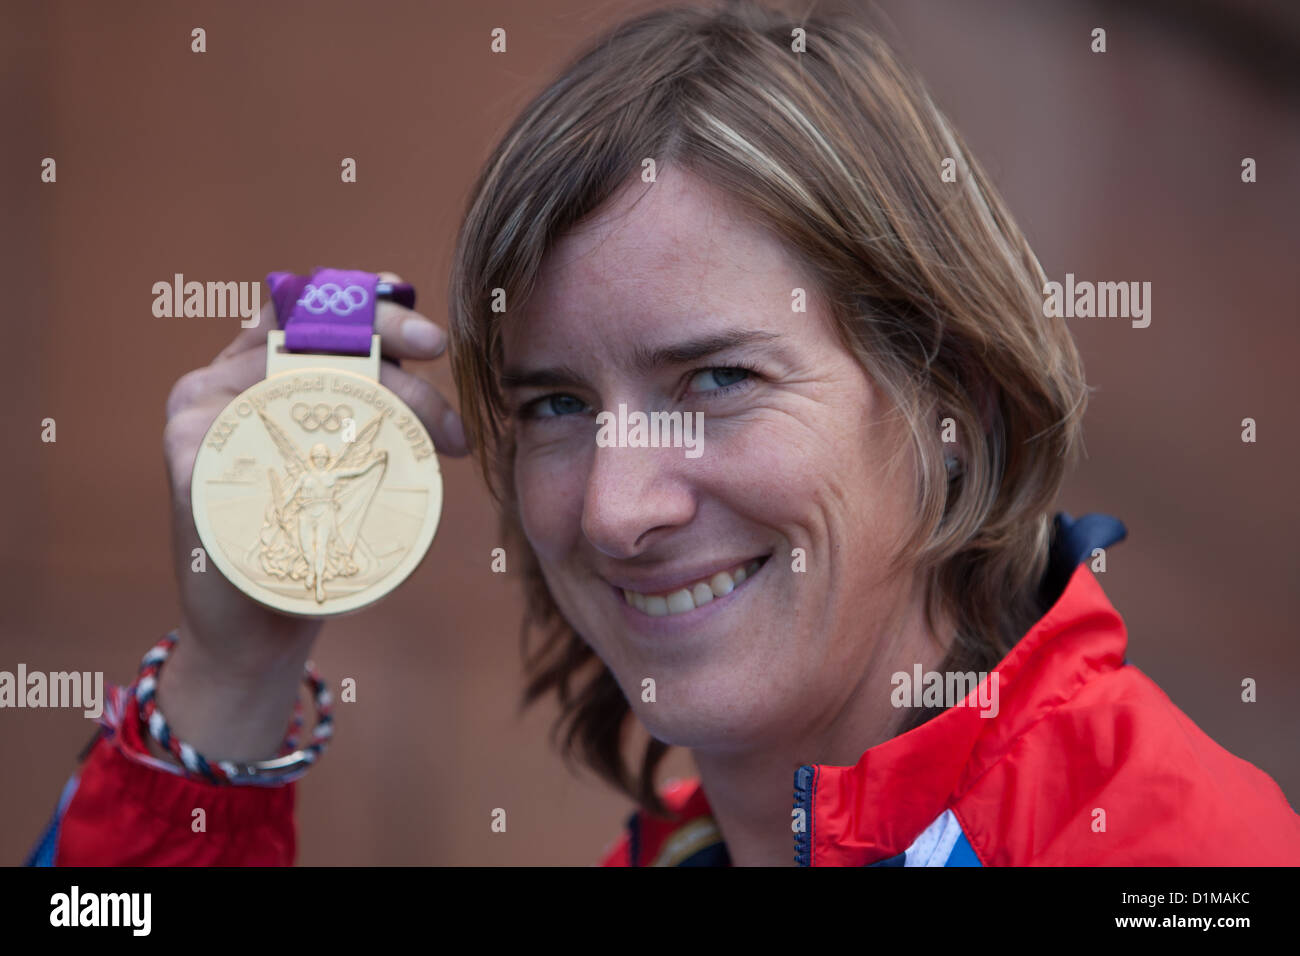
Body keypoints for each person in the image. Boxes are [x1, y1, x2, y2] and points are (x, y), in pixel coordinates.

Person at [28, 0, 1299, 866]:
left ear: (945, 407)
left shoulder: (1170, 853)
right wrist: (234, 667)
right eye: (556, 405)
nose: (614, 506)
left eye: (718, 380)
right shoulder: (692, 847)